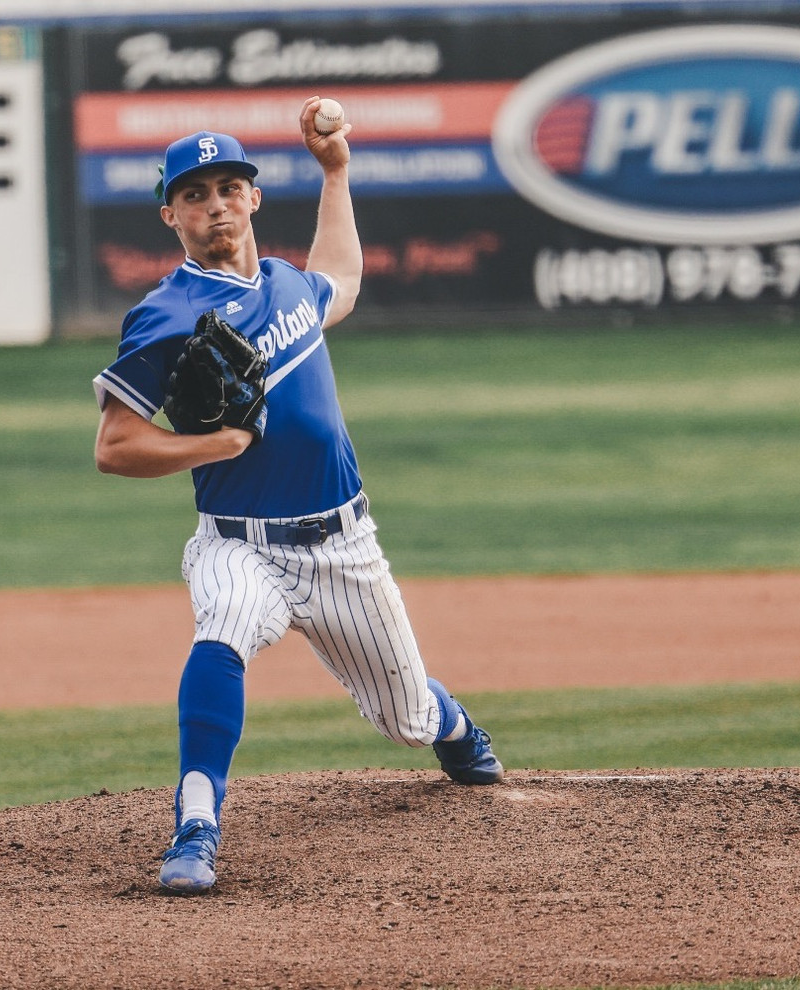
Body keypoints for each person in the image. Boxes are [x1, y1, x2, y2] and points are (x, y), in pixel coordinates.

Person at [92, 100, 504, 896]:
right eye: (195, 194)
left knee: (406, 719)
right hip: (239, 543)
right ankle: (196, 824)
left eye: (228, 188)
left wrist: (335, 171)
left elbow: (340, 281)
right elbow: (114, 447)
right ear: (170, 214)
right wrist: (211, 446)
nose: (215, 205)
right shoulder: (164, 315)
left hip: (345, 549)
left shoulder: (286, 284)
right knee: (222, 630)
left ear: (253, 197)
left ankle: (449, 722)